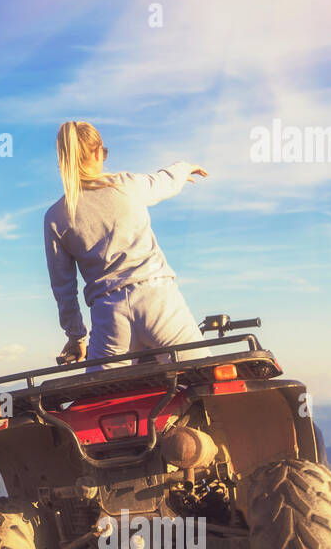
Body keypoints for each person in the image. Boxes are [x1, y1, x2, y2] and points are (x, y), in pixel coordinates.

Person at [43, 120, 209, 370]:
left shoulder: (56, 216)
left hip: (110, 318)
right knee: (207, 379)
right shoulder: (126, 185)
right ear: (99, 153)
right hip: (159, 302)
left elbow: (63, 289)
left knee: (99, 401)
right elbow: (163, 181)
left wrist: (76, 336)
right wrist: (185, 168)